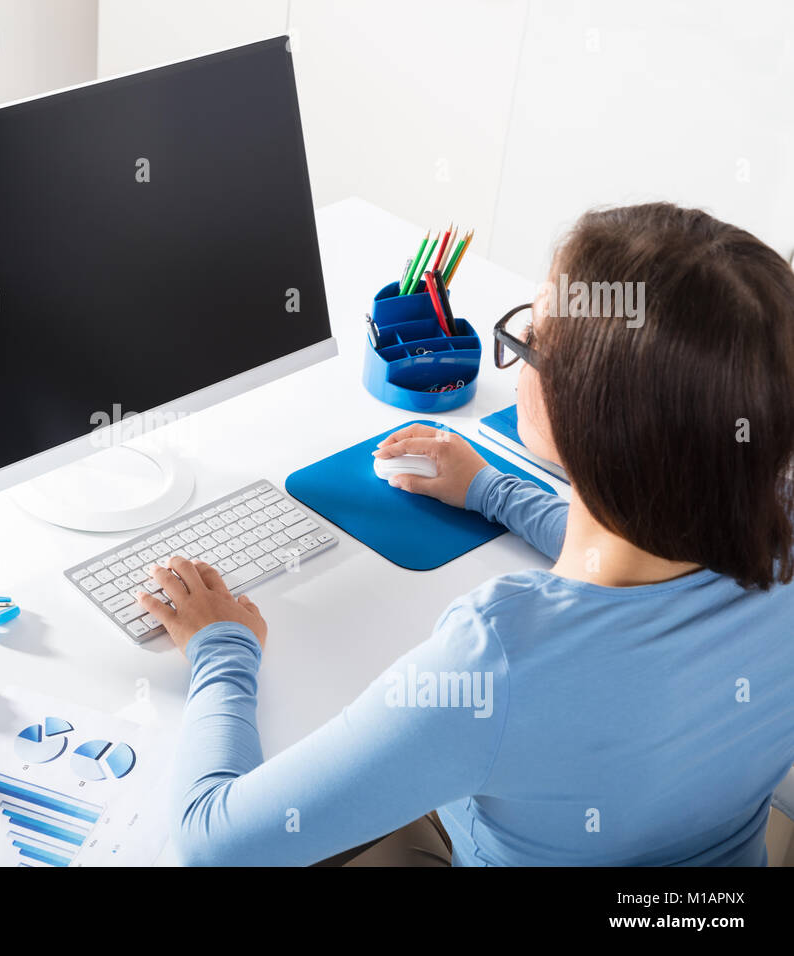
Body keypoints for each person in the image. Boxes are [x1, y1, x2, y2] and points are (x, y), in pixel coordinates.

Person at [134, 203, 794, 865]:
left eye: (531, 335)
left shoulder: (501, 661)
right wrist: (491, 489)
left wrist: (222, 646)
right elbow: (654, 549)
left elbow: (212, 843)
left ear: (585, 410)